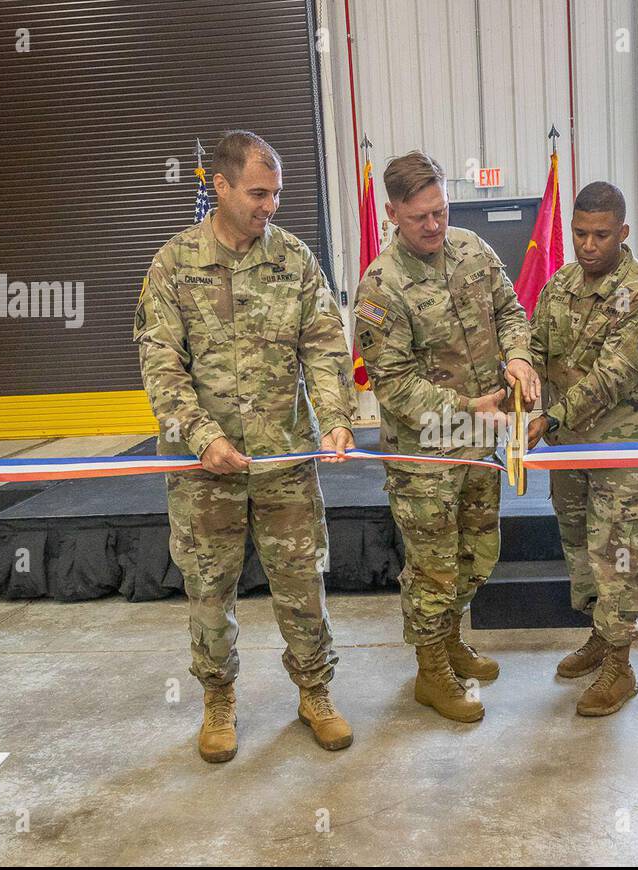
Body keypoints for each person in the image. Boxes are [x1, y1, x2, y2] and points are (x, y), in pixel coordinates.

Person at [135, 130, 357, 760]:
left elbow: (323, 347)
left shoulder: (295, 260)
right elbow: (161, 366)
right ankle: (218, 699)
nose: (271, 206)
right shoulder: (173, 265)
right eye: (259, 193)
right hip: (204, 471)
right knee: (208, 592)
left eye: (277, 194)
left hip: (286, 459)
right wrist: (201, 437)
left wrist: (337, 417)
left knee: (302, 583)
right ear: (221, 187)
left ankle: (315, 691)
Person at [352, 150, 539, 722]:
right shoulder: (381, 288)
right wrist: (467, 407)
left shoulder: (471, 250)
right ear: (392, 214)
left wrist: (517, 356)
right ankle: (430, 671)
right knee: (432, 569)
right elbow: (396, 386)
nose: (434, 225)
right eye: (419, 218)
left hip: (481, 444)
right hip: (426, 457)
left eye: (440, 210)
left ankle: (452, 640)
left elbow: (509, 308)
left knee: (476, 555)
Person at [526, 181, 638, 716]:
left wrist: (550, 416)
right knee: (580, 548)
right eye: (581, 234)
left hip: (617, 450)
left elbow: (611, 378)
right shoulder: (561, 284)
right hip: (569, 450)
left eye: (601, 235)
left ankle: (621, 665)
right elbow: (536, 343)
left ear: (624, 233)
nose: (588, 245)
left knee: (619, 550)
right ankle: (599, 635)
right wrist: (519, 377)